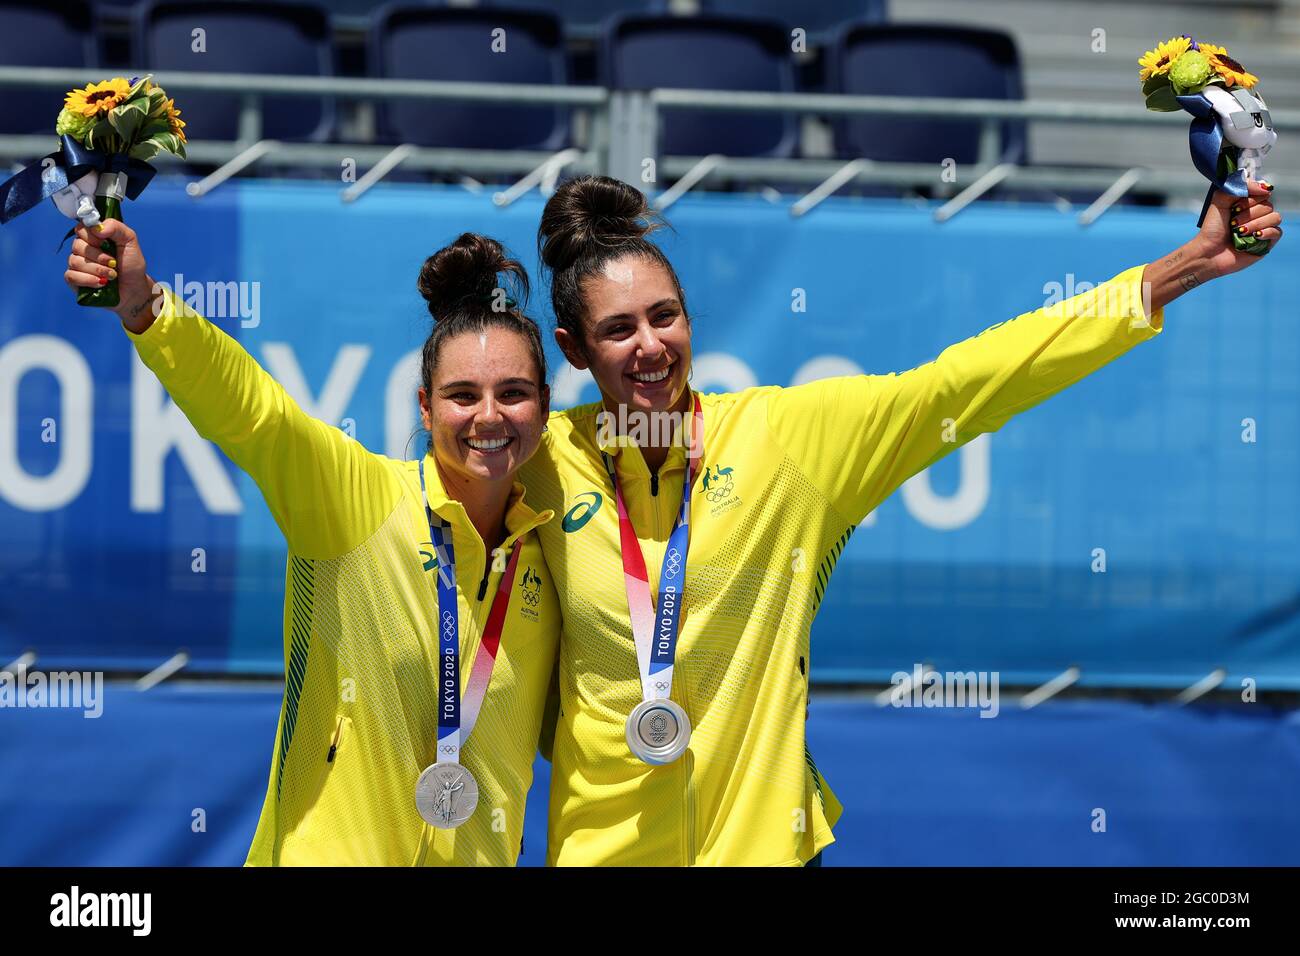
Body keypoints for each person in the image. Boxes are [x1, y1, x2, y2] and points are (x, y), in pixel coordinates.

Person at [519, 174, 1282, 866]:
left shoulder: (787, 441)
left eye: (667, 317)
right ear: (574, 351)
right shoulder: (540, 464)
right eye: (620, 329)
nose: (652, 345)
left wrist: (1188, 266)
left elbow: (968, 383)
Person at [65, 226, 560, 865]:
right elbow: (257, 416)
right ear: (425, 408)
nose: (489, 416)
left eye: (513, 394)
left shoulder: (552, 559)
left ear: (545, 408)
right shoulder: (357, 502)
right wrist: (148, 309)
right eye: (462, 395)